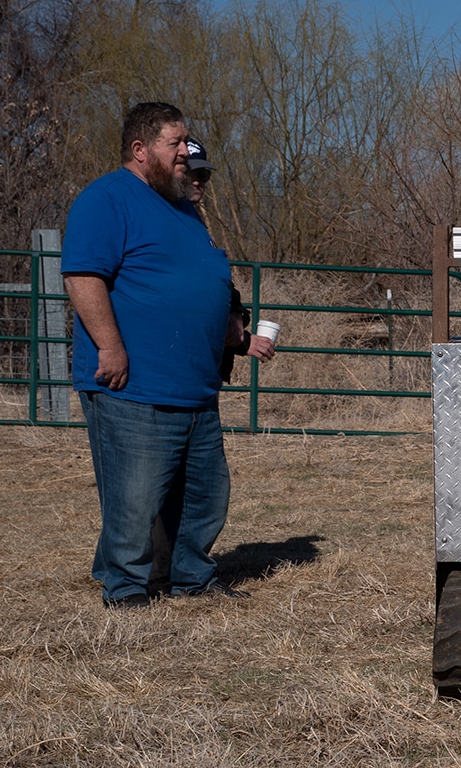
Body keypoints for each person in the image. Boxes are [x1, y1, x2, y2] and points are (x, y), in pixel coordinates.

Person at [63, 102, 247, 608]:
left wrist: (227, 320)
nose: (187, 152)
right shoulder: (107, 199)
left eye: (188, 142)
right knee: (135, 498)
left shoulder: (183, 207)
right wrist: (110, 346)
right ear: (141, 150)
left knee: (204, 497)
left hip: (194, 385)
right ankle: (126, 588)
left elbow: (200, 275)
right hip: (134, 383)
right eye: (176, 143)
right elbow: (83, 276)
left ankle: (192, 577)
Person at [146, 136, 276, 598]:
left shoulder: (194, 221)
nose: (198, 180)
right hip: (163, 377)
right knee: (159, 483)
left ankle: (186, 574)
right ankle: (149, 575)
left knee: (200, 483)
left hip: (200, 376)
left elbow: (212, 294)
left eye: (204, 174)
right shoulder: (158, 216)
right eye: (190, 170)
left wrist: (239, 339)